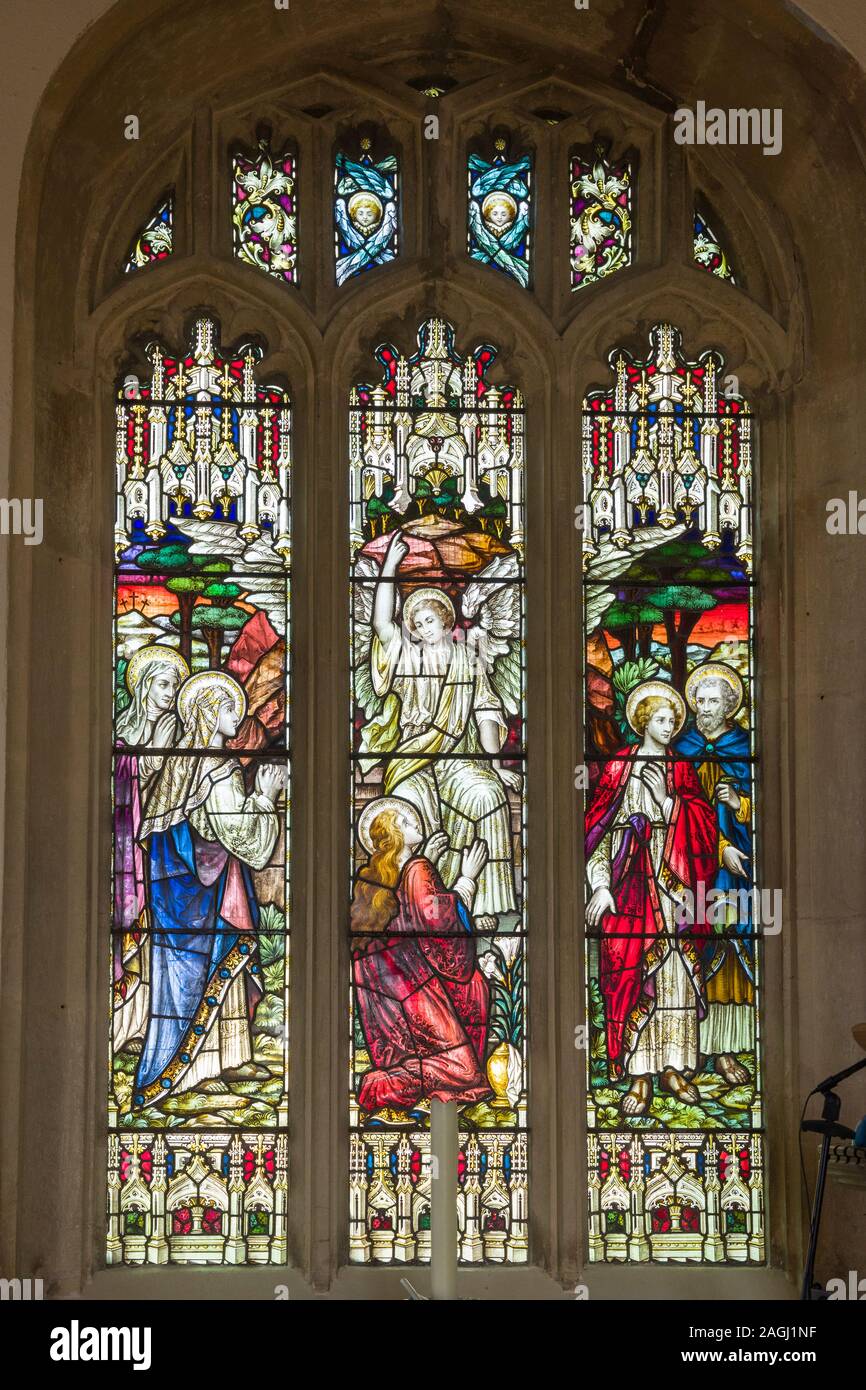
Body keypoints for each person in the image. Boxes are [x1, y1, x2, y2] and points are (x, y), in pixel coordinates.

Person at [133, 670, 285, 1108]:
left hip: (176, 896)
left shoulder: (182, 767)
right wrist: (265, 796)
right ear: (207, 714)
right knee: (195, 977)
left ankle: (217, 1062)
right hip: (199, 898)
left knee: (181, 982)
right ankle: (187, 1072)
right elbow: (243, 839)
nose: (236, 716)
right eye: (227, 708)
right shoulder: (216, 769)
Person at [364, 530, 519, 929]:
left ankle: (482, 903)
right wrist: (391, 567)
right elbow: (382, 621)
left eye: (429, 618)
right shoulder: (406, 658)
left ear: (446, 620)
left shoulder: (468, 659)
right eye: (415, 622)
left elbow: (486, 709)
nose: (422, 626)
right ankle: (422, 908)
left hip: (459, 756)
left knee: (486, 793)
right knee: (409, 810)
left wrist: (495, 763)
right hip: (413, 757)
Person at [584, 681, 718, 1118]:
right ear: (643, 722)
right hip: (629, 885)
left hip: (677, 887)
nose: (669, 727)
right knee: (632, 972)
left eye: (674, 721)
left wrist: (667, 805)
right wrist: (600, 884)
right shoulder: (618, 768)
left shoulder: (681, 769)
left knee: (675, 976)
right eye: (661, 720)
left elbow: (703, 828)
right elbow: (598, 831)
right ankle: (639, 1074)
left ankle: (673, 1068)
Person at [352, 796, 491, 1115]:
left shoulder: (376, 877)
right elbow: (437, 925)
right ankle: (382, 1085)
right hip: (414, 985)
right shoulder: (416, 868)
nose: (414, 822)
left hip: (387, 990)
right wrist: (467, 879)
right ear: (394, 836)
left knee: (452, 1066)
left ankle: (399, 1078)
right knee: (464, 1071)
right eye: (404, 822)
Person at [676, 664, 754, 1085]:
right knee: (689, 950)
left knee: (726, 949)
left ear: (729, 706)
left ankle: (722, 1051)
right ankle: (685, 1049)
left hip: (732, 874)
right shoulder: (682, 745)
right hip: (690, 865)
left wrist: (740, 802)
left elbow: (765, 811)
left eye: (712, 702)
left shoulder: (743, 745)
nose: (704, 709)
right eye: (699, 701)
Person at [113, 644, 189, 1052]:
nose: (169, 692)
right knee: (125, 927)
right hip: (125, 848)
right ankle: (123, 1025)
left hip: (157, 851)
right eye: (162, 684)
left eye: (175, 685)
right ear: (143, 688)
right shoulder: (123, 734)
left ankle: (142, 1026)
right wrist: (149, 756)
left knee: (151, 933)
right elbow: (126, 779)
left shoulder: (177, 731)